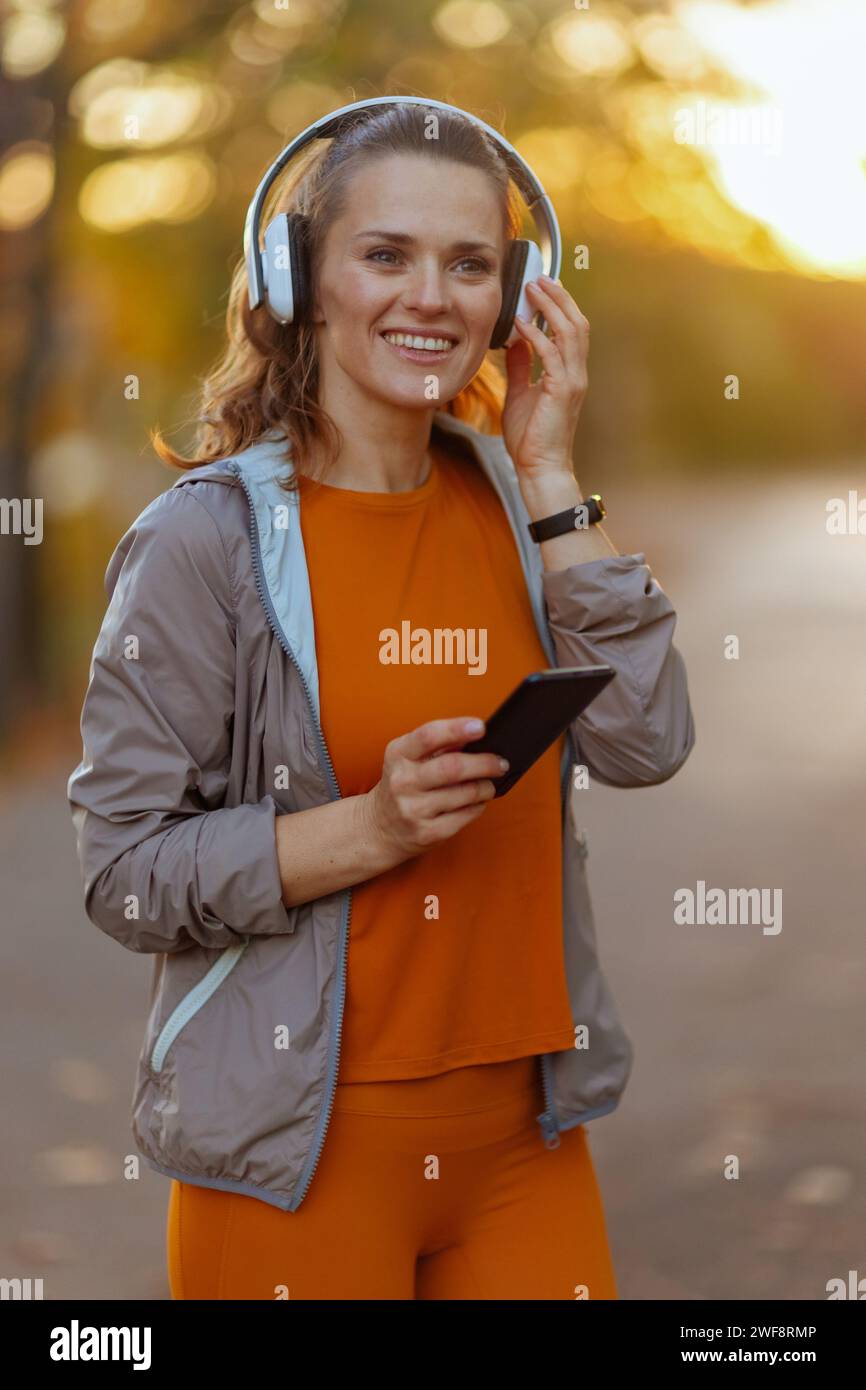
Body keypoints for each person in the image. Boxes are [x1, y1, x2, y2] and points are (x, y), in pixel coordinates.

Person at [67, 100, 695, 1300]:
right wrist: (372, 828)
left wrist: (553, 475)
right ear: (298, 276)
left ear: (513, 297)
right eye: (385, 254)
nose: (431, 297)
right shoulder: (203, 544)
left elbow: (645, 739)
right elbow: (124, 872)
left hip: (523, 1140)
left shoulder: (517, 507)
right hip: (298, 1154)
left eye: (469, 264)